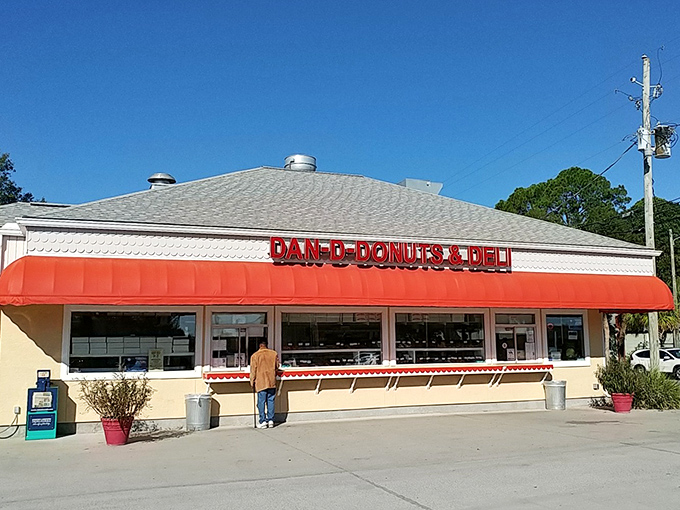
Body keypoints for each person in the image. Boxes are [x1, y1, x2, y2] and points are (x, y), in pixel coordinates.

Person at [249, 340, 279, 428]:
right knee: (271, 401)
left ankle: (262, 421)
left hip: (261, 381)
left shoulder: (255, 356)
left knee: (261, 402)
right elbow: (277, 366)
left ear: (259, 345)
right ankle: (271, 420)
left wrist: (252, 381)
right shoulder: (273, 354)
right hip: (271, 380)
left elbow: (253, 370)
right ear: (266, 345)